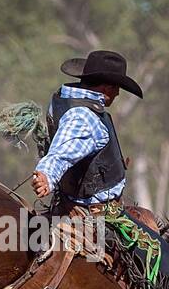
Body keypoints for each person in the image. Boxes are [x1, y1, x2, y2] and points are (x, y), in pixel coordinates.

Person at [31, 50, 142, 207]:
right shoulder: (84, 117)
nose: (117, 93)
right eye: (117, 87)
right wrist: (47, 176)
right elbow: (63, 153)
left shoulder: (65, 99)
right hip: (94, 207)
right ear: (106, 88)